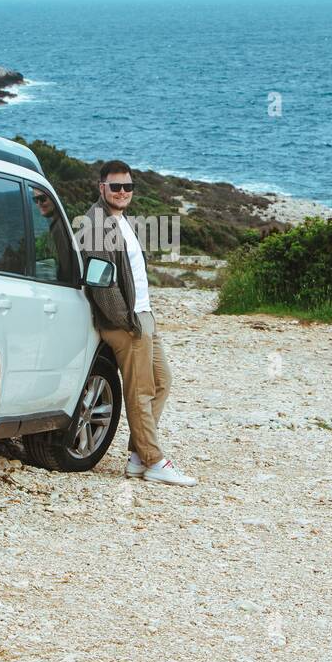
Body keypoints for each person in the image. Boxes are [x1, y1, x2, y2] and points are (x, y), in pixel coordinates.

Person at [79, 161, 196, 486]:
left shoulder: (121, 219)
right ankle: (155, 461)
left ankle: (137, 457)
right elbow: (102, 284)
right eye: (115, 187)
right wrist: (128, 321)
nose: (122, 192)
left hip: (143, 316)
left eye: (127, 187)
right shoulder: (97, 224)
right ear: (101, 187)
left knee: (161, 382)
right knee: (141, 391)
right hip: (127, 323)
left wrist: (141, 317)